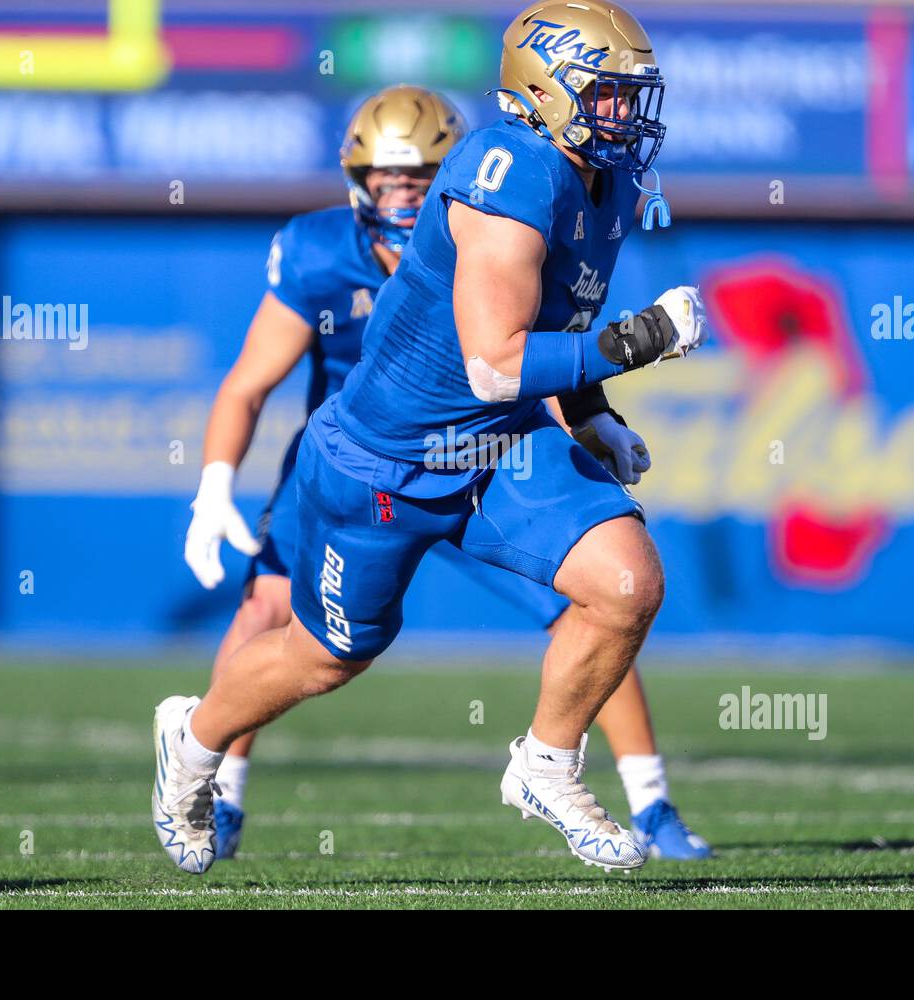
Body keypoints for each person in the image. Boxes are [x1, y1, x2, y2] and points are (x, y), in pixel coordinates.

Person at [155, 3, 708, 875]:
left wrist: (595, 412)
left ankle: (548, 766)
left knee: (627, 581)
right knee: (326, 656)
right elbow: (495, 361)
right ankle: (192, 743)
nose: (626, 116)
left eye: (631, 97)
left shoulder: (611, 184)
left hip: (494, 446)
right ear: (545, 91)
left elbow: (554, 319)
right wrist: (641, 341)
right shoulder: (509, 171)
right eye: (606, 96)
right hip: (386, 460)